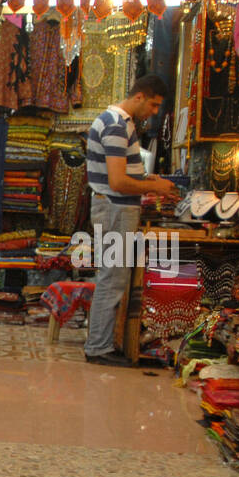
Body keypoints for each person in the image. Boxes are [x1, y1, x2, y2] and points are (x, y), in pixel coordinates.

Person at [83, 74, 180, 366]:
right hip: (115, 208)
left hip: (115, 208)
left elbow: (123, 175)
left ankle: (100, 344)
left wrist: (148, 178)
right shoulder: (116, 125)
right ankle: (98, 348)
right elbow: (117, 182)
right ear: (139, 97)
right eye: (152, 105)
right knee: (112, 279)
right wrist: (154, 187)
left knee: (112, 277)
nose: (153, 111)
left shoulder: (120, 123)